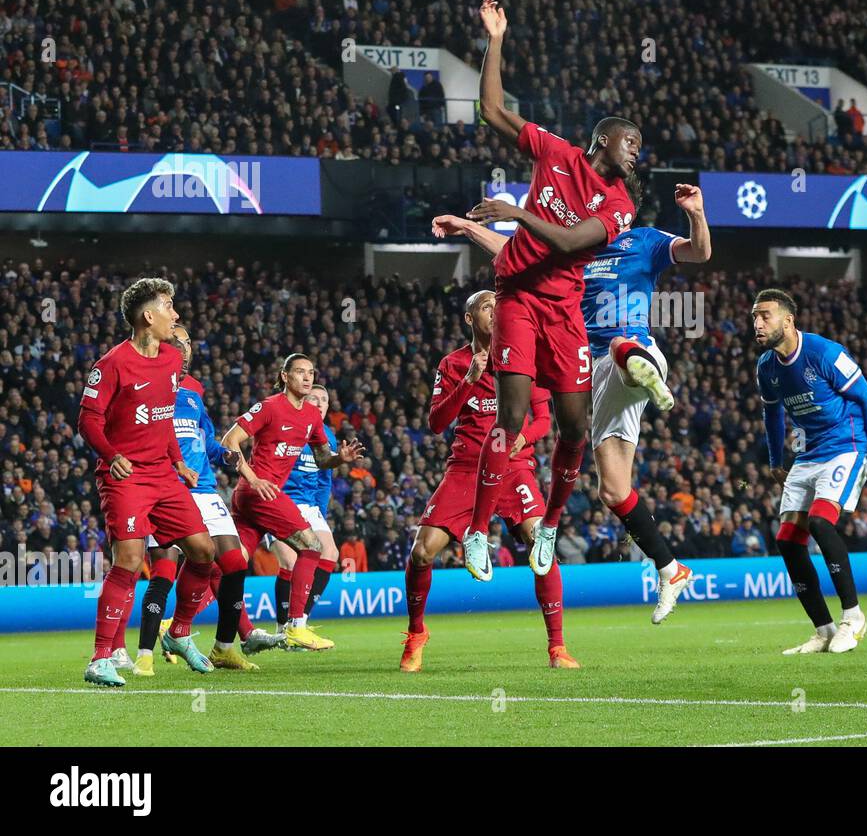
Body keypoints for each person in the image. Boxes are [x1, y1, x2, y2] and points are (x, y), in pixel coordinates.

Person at [434, 180, 711, 623]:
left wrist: (696, 213)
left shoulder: (646, 240)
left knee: (623, 344)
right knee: (614, 489)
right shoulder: (571, 249)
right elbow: (508, 249)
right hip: (588, 367)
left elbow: (699, 253)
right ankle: (671, 568)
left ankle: (645, 368)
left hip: (628, 349)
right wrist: (467, 227)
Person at [456, 0, 637, 583]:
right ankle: (479, 531)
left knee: (576, 427)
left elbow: (566, 241)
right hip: (518, 301)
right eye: (629, 143)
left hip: (565, 312)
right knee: (509, 421)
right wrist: (496, 39)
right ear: (602, 141)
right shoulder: (555, 152)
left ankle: (552, 523)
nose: (636, 153)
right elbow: (490, 110)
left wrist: (514, 212)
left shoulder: (621, 205)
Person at [400, 291, 578, 671]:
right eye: (486, 308)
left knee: (541, 547)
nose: (496, 313)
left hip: (514, 469)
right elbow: (435, 423)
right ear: (469, 318)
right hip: (465, 468)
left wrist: (523, 439)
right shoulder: (453, 364)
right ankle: (416, 633)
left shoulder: (527, 358)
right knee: (422, 551)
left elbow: (544, 420)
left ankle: (557, 648)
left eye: (500, 307)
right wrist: (469, 380)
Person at [77, 278, 218, 686]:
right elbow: (88, 420)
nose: (175, 316)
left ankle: (178, 633)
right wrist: (112, 456)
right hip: (126, 476)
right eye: (169, 308)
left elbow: (162, 417)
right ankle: (101, 657)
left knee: (203, 550)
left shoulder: (173, 360)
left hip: (163, 473)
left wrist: (178, 461)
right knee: (129, 560)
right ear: (148, 316)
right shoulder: (111, 364)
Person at [133, 325, 282, 676]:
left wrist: (224, 456)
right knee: (164, 572)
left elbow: (207, 440)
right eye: (175, 342)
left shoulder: (194, 393)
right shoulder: (148, 385)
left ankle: (224, 648)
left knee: (234, 561)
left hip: (204, 490)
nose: (182, 349)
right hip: (167, 488)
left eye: (186, 343)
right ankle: (145, 652)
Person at [753, 288, 867, 655]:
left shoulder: (824, 352)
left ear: (788, 319)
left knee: (820, 523)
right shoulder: (766, 367)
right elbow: (772, 414)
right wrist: (774, 460)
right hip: (808, 453)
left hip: (848, 446)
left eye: (765, 315)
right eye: (755, 317)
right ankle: (824, 629)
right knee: (786, 539)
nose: (758, 323)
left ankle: (853, 617)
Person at [221, 354, 365, 651]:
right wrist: (253, 477)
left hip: (259, 496)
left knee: (231, 564)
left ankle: (192, 631)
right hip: (259, 492)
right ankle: (296, 625)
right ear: (285, 376)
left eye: (311, 372)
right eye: (300, 372)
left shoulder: (312, 417)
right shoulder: (270, 406)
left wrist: (341, 458)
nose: (307, 377)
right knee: (312, 547)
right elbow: (230, 440)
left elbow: (323, 459)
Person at [272, 383, 341, 638]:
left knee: (330, 553)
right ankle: (282, 627)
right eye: (315, 398)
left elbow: (325, 481)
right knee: (290, 562)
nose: (321, 403)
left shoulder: (327, 436)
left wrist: (319, 513)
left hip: (309, 505)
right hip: (280, 499)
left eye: (325, 399)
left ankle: (300, 620)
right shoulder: (287, 423)